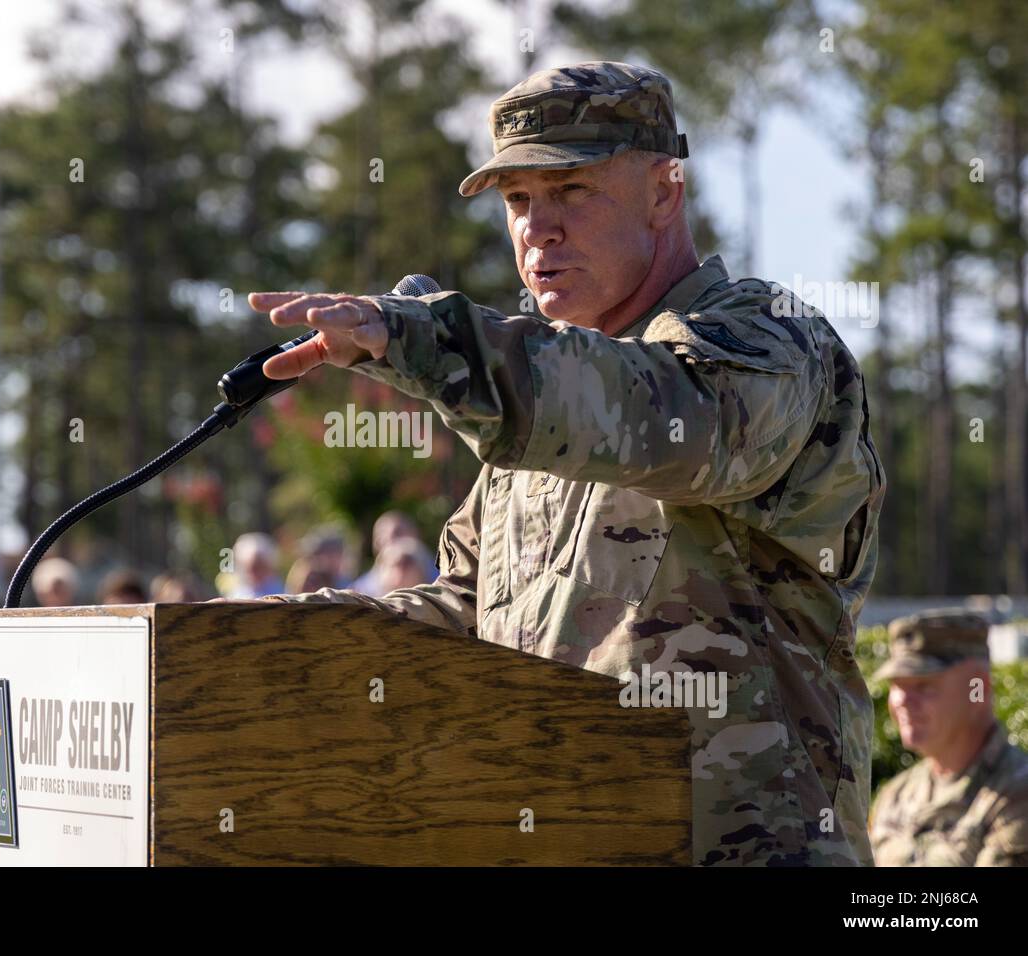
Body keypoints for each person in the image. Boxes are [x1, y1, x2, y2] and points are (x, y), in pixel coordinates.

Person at [243, 62, 886, 866]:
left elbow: (660, 418)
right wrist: (267, 639)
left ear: (664, 191)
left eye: (572, 191)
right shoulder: (533, 420)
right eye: (517, 201)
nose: (537, 228)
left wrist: (424, 341)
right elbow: (470, 617)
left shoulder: (764, 342)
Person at [869, 610, 1028, 866]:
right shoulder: (895, 796)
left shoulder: (1017, 793)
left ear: (978, 689)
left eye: (923, 685)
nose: (902, 701)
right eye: (897, 685)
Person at [351, 511, 437, 596]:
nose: (388, 541)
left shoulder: (441, 580)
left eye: (397, 533)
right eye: (380, 536)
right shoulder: (360, 591)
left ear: (415, 534)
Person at [226, 533, 286, 599]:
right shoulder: (236, 594)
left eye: (260, 566)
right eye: (251, 568)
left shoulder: (281, 591)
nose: (256, 572)